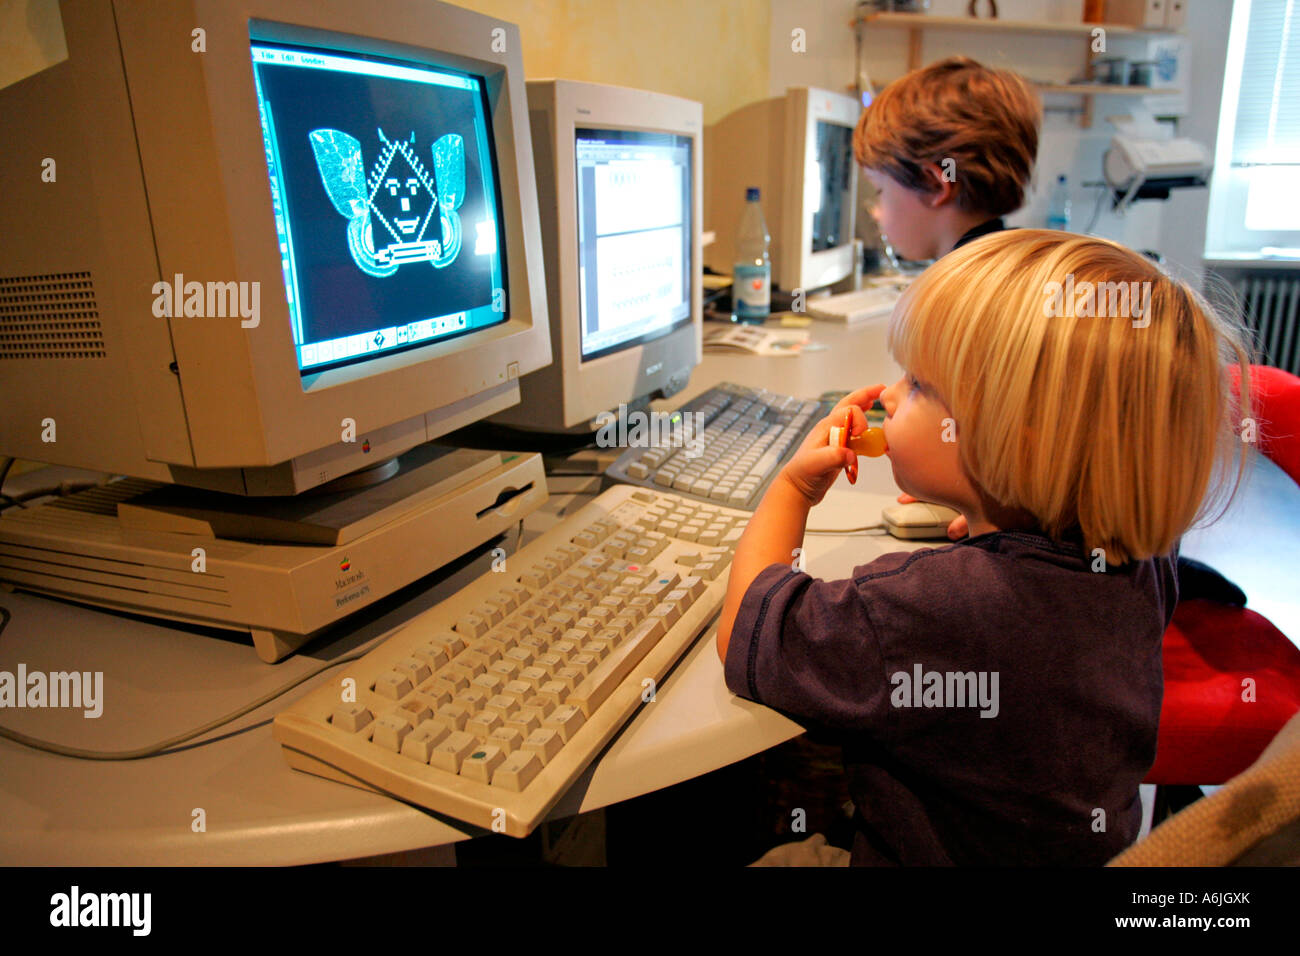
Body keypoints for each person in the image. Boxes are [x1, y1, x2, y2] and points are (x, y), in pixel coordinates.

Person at [716, 230, 1253, 865]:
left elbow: (754, 628)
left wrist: (794, 488)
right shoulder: (1140, 561)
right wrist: (988, 512)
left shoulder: (931, 607)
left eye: (917, 384)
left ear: (1014, 442)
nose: (886, 396)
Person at [856, 56, 1042, 540]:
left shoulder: (973, 299)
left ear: (938, 185)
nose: (876, 211)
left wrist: (1002, 507)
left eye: (879, 190)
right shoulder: (1014, 267)